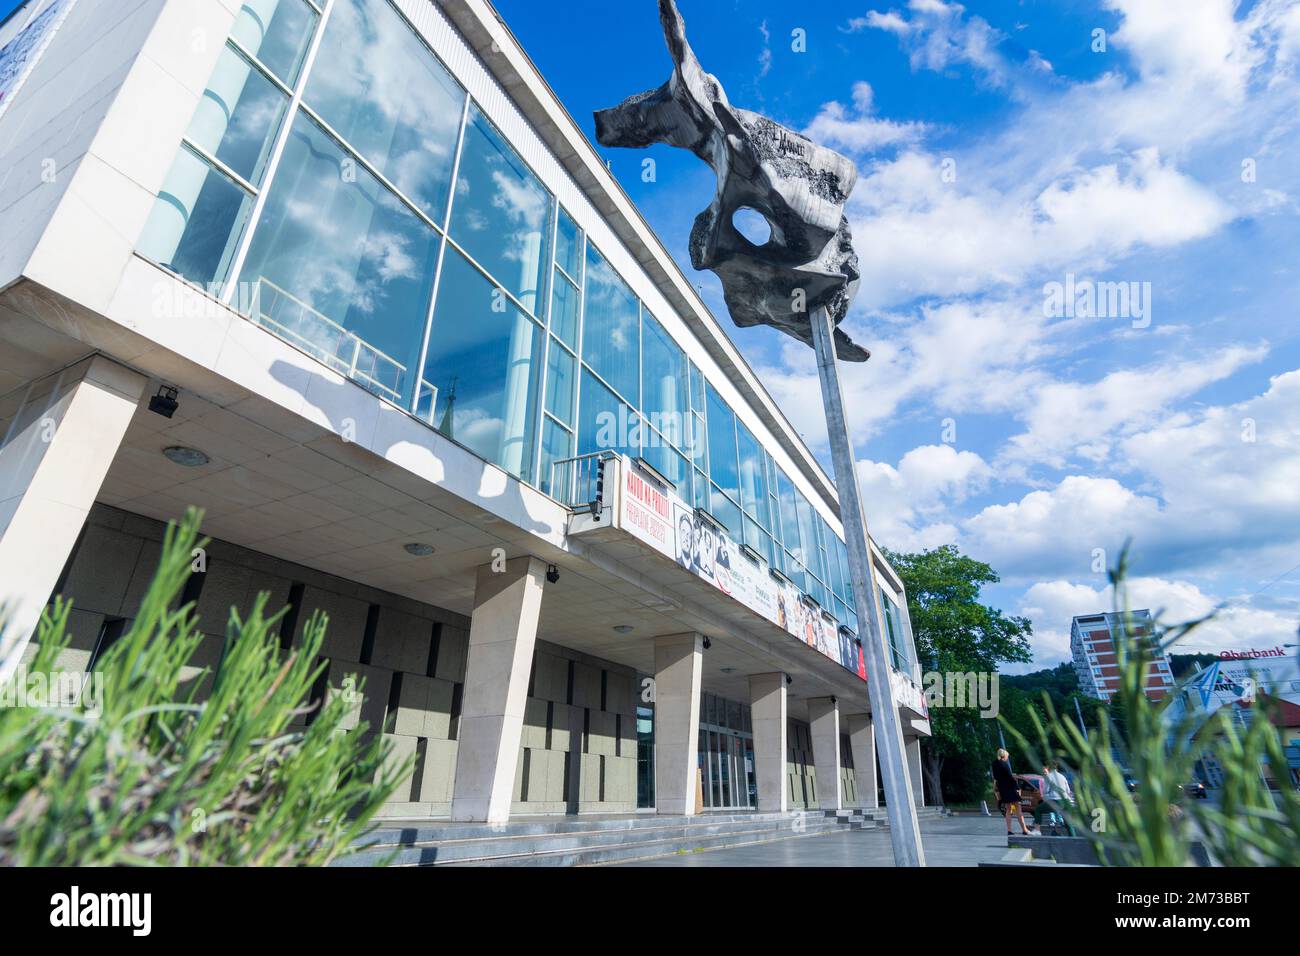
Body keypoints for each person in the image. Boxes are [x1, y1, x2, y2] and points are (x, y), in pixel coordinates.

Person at [992, 748, 1033, 836]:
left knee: (1008, 809)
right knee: (1018, 809)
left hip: (1003, 789)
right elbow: (1010, 778)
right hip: (1011, 789)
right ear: (1004, 755)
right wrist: (1017, 788)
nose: (1008, 757)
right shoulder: (1004, 764)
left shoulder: (994, 764)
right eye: (1007, 756)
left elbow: (996, 777)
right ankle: (1024, 830)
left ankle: (1009, 830)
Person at [1043, 762, 1075, 836]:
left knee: (1039, 810)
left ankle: (1038, 830)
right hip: (1065, 801)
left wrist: (1047, 796)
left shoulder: (1049, 776)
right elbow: (1068, 791)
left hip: (1054, 800)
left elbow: (1045, 790)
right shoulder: (1062, 776)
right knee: (1067, 822)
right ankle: (1073, 836)